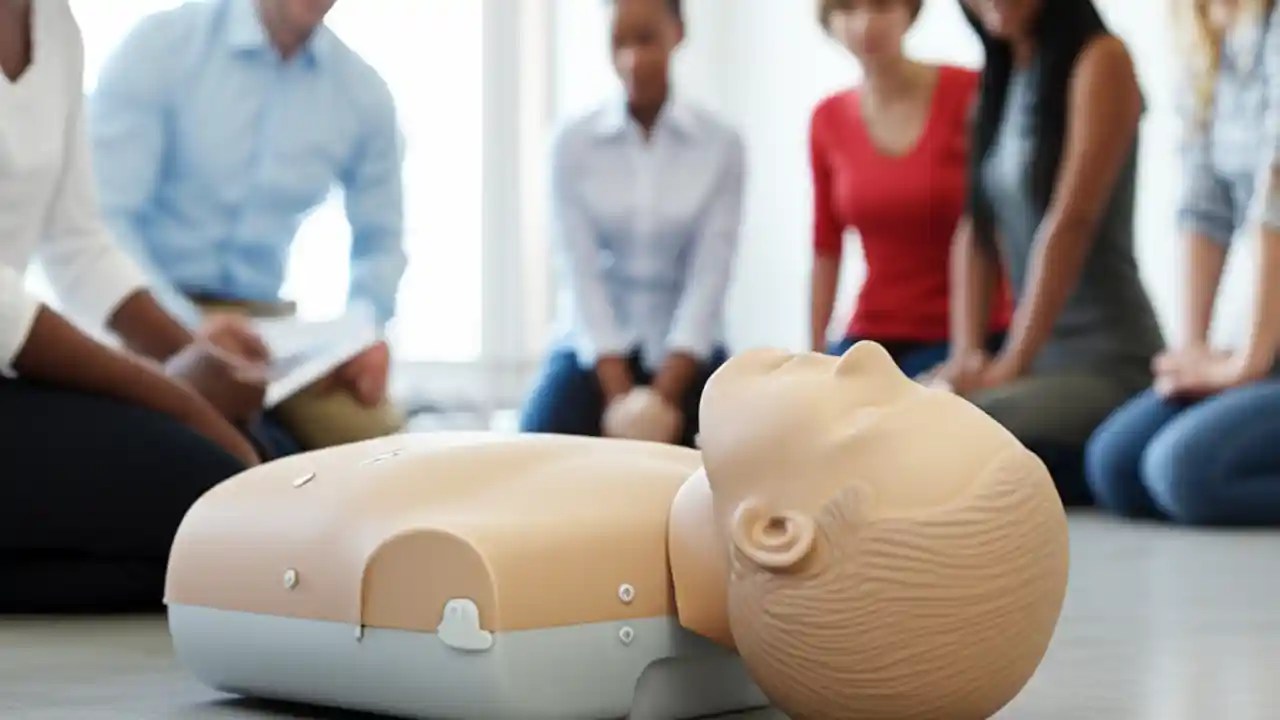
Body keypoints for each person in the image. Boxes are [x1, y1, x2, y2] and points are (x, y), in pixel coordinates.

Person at [0, 0, 265, 612]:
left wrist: (194, 356)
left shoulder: (56, 25)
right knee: (212, 496)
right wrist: (180, 400)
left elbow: (77, 242)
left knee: (264, 448)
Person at [87, 0, 408, 453]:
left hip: (266, 328)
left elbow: (380, 241)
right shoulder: (159, 48)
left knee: (382, 451)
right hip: (149, 305)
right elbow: (105, 219)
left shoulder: (363, 93)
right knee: (184, 445)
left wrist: (363, 332)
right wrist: (186, 328)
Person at [939, 0, 1166, 505]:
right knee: (914, 404)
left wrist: (1011, 364)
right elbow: (975, 231)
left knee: (951, 426)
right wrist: (966, 355)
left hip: (1108, 360)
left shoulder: (1101, 60)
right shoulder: (998, 82)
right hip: (1037, 363)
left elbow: (1070, 223)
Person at [1085, 0, 1280, 526]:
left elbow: (1277, 199)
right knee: (1116, 466)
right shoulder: (1204, 33)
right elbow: (1204, 208)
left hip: (1266, 352)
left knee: (1186, 473)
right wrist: (1192, 351)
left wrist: (1247, 365)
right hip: (1269, 348)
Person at [519, 0, 745, 449]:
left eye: (646, 41)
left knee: (743, 452)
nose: (631, 60)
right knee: (530, 450)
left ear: (677, 34)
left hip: (688, 349)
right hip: (593, 347)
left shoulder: (721, 144)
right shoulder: (571, 143)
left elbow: (710, 275)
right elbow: (578, 271)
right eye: (618, 43)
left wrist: (663, 398)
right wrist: (621, 398)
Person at [809, 0, 1011, 378]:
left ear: (910, 10)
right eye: (848, 9)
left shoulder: (970, 92)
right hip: (870, 334)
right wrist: (815, 356)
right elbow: (826, 247)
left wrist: (975, 352)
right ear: (828, 19)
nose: (866, 24)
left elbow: (1001, 221)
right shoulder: (827, 120)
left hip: (967, 334)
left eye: (882, 6)